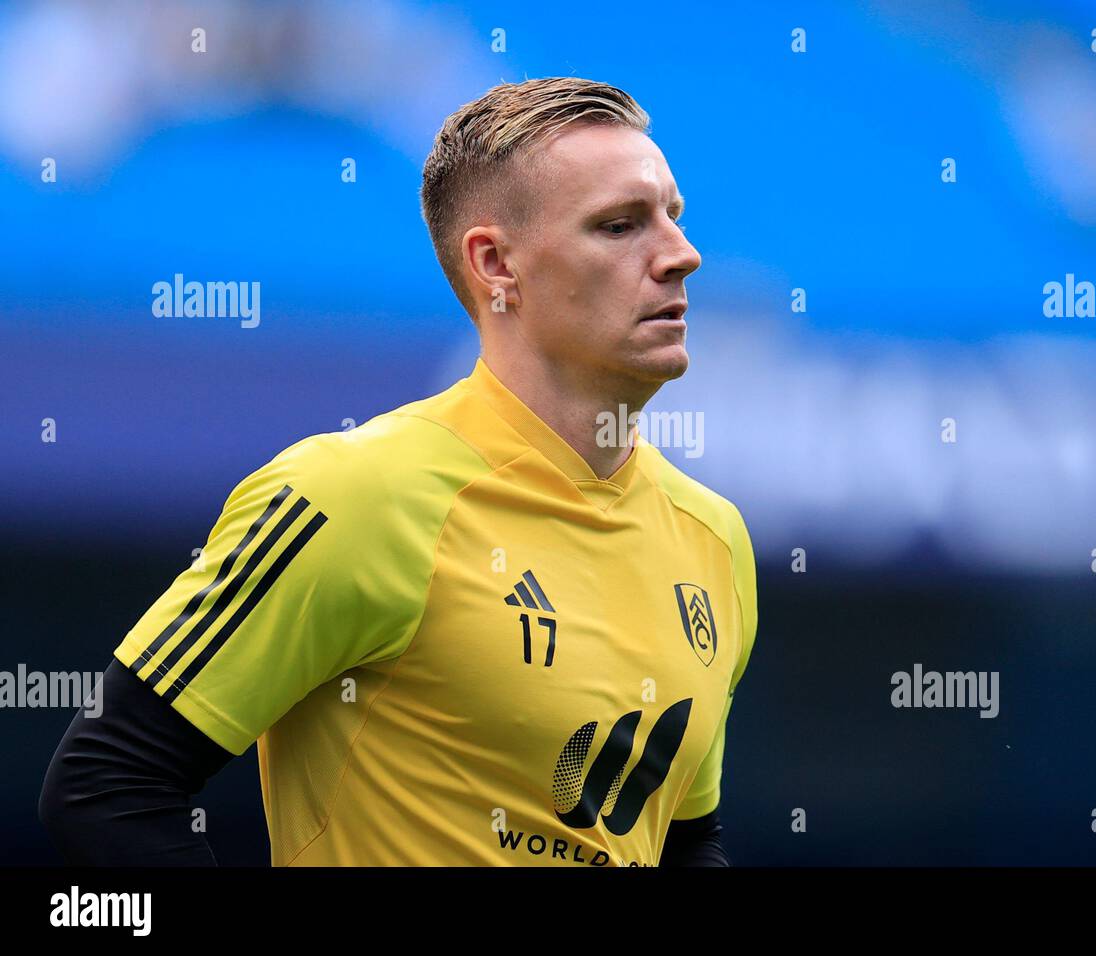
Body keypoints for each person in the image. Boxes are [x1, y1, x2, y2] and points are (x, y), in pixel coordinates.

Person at [40, 76, 758, 866]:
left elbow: (688, 842)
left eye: (673, 219)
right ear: (495, 265)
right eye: (620, 226)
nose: (681, 256)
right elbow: (106, 784)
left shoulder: (714, 539)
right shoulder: (352, 495)